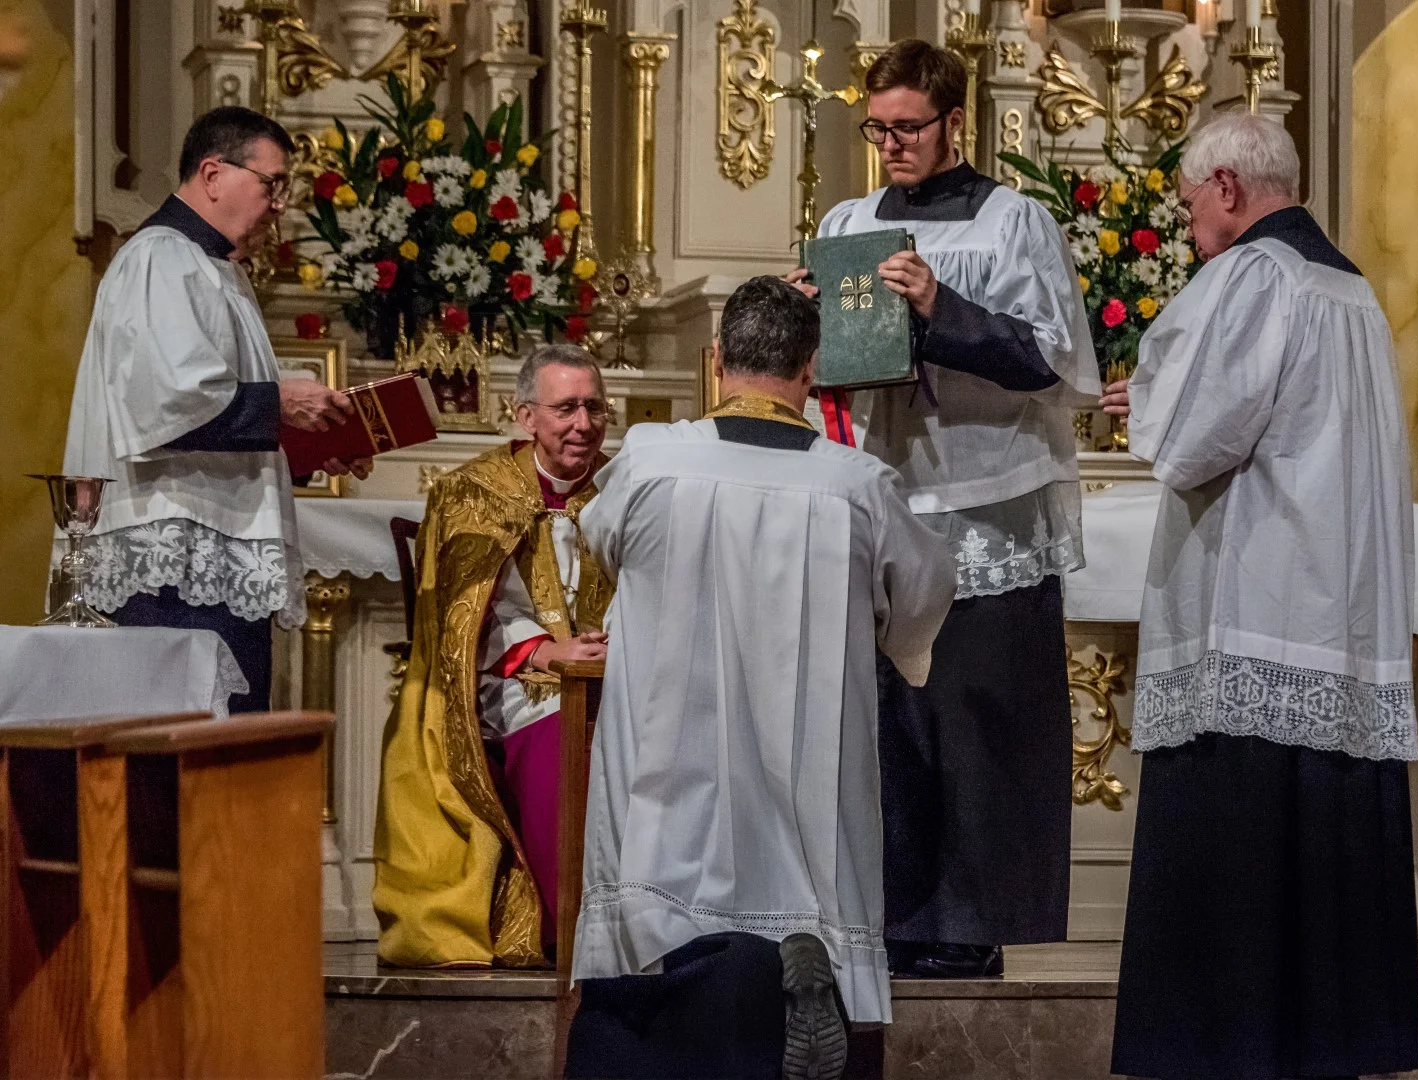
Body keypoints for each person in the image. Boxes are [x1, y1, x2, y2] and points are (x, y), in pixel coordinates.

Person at [567, 276, 954, 1077]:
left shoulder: (650, 463)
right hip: (802, 780)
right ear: (810, 368)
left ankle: (666, 1018)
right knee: (808, 877)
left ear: (716, 360)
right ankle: (800, 987)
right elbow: (921, 596)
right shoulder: (855, 484)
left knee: (653, 907)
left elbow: (597, 544)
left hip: (669, 767)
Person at [1103, 112, 1418, 1079]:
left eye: (1189, 203)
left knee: (1236, 908)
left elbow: (1191, 439)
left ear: (1228, 188)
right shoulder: (1350, 287)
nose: (1188, 222)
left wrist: (1146, 398)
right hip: (1333, 616)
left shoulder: (1253, 274)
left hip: (1258, 617)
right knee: (1320, 920)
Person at [794, 38, 1102, 978]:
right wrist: (809, 315)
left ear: (953, 121)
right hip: (885, 495)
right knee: (892, 725)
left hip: (986, 503)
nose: (890, 145)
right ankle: (892, 915)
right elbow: (832, 359)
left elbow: (1051, 360)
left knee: (977, 720)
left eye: (907, 128)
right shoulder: (849, 221)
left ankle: (971, 924)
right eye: (876, 129)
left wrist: (939, 305)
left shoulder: (1013, 222)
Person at [61, 106, 362, 713]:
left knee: (227, 750)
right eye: (272, 184)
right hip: (173, 561)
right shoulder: (160, 258)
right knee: (183, 746)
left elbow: (217, 409)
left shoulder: (216, 270)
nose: (280, 204)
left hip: (213, 550)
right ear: (213, 173)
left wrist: (310, 443)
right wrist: (281, 403)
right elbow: (166, 406)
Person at [375, 344, 614, 969]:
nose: (583, 424)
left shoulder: (624, 488)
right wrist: (547, 651)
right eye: (566, 408)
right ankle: (568, 928)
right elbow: (463, 613)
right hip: (511, 674)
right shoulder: (474, 492)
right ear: (525, 415)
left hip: (615, 668)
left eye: (594, 408)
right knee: (561, 726)